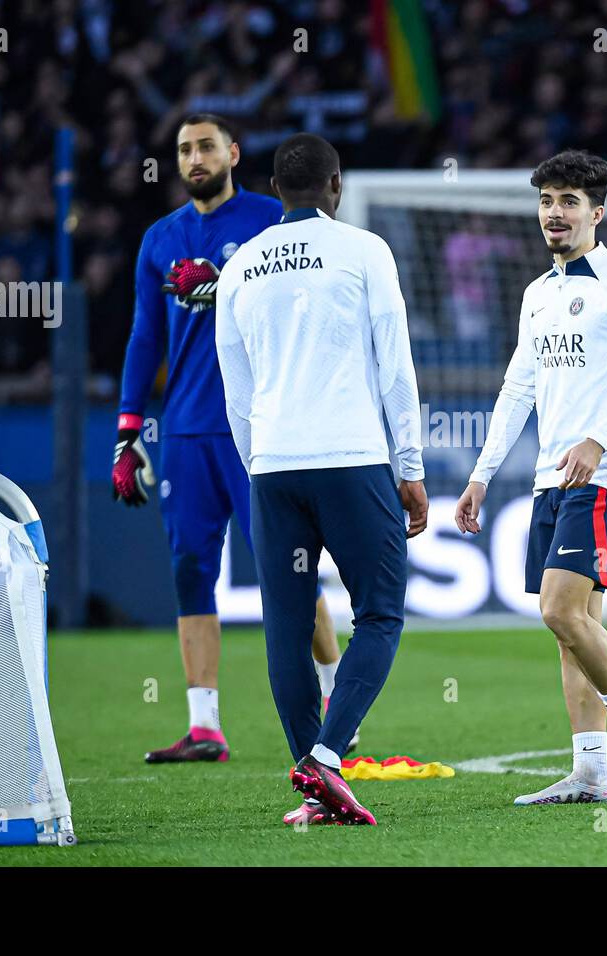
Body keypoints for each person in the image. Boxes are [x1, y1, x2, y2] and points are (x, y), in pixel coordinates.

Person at [113, 114, 354, 766]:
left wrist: (223, 288)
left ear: (233, 153)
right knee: (191, 569)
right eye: (185, 149)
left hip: (260, 426)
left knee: (290, 570)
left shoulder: (269, 222)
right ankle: (204, 727)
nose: (195, 157)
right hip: (187, 431)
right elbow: (144, 338)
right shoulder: (160, 238)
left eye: (206, 146)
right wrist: (128, 430)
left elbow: (301, 299)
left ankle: (339, 708)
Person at [215, 133, 428, 825]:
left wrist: (259, 468)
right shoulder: (364, 250)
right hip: (350, 456)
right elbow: (394, 366)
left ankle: (310, 777)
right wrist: (411, 466)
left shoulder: (240, 266)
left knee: (286, 624)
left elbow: (236, 391)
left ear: (275, 188)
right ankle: (327, 759)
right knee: (381, 611)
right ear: (335, 185)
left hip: (274, 466)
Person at [455, 149, 607, 805]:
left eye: (569, 201)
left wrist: (598, 442)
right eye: (546, 200)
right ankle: (589, 770)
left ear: (596, 213)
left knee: (559, 608)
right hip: (553, 479)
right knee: (570, 630)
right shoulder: (537, 294)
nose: (555, 212)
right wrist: (482, 475)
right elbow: (518, 389)